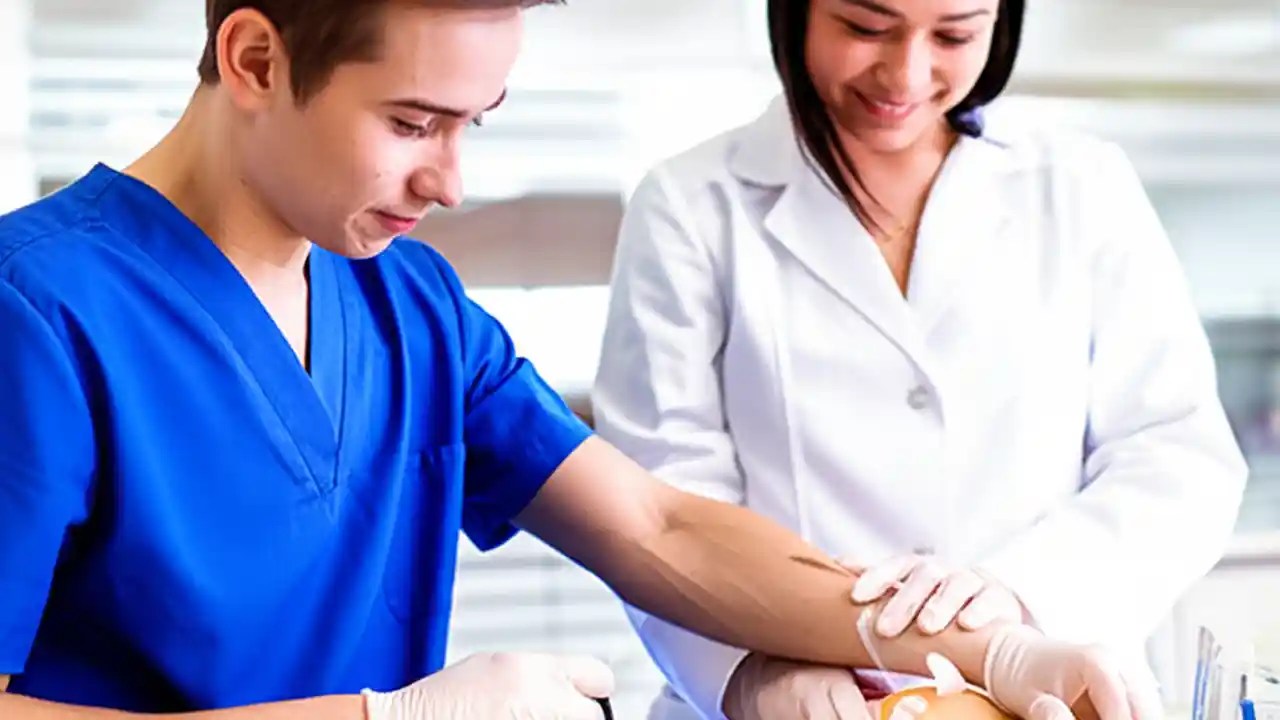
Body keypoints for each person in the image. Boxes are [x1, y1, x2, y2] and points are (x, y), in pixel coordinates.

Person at [0, 2, 1160, 720]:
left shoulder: (408, 299)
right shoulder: (36, 312)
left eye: (476, 122)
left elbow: (653, 528)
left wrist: (990, 648)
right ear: (253, 57)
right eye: (411, 123)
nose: (449, 182)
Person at [591, 0, 1249, 717]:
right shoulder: (691, 203)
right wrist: (750, 672)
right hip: (795, 689)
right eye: (865, 28)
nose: (905, 73)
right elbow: (659, 496)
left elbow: (1177, 458)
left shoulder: (1080, 184)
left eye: (955, 34)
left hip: (1044, 681)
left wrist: (1017, 599)